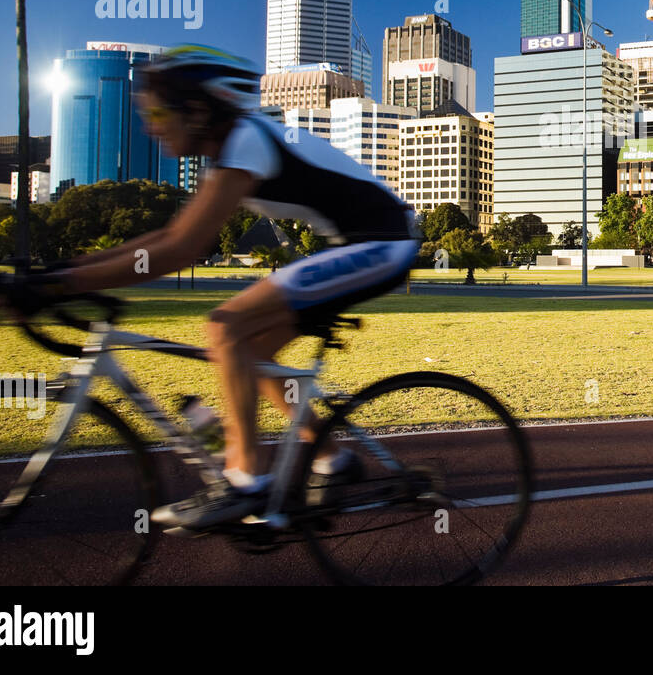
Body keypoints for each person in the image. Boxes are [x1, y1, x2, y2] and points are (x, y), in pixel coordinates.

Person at [22, 45, 420, 529]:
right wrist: (59, 272)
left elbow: (180, 249)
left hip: (385, 242)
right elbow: (165, 237)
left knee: (227, 326)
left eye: (158, 112)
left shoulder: (245, 141)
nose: (150, 125)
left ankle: (244, 481)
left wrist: (61, 284)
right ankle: (332, 458)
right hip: (358, 240)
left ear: (198, 109)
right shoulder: (230, 150)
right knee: (253, 352)